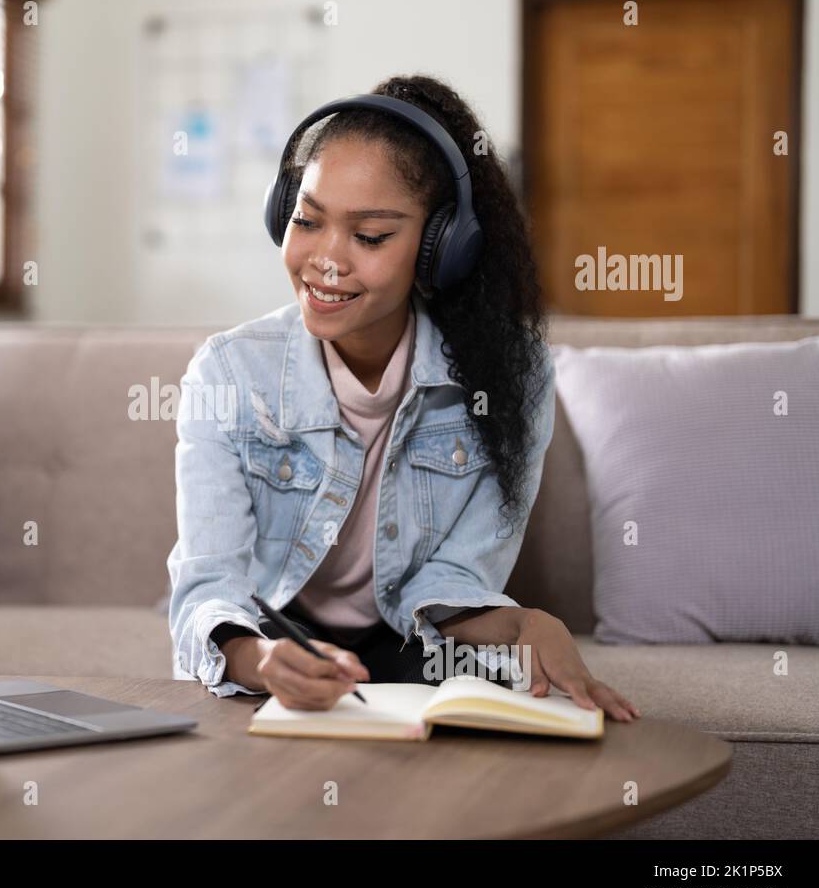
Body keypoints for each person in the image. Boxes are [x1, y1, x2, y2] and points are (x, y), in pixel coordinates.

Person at [166, 74, 640, 722]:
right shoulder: (229, 372)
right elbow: (209, 585)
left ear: (442, 246)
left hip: (411, 638)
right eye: (307, 221)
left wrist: (525, 625)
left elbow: (447, 581)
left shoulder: (512, 373)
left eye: (370, 236)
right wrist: (259, 660)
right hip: (277, 637)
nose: (327, 260)